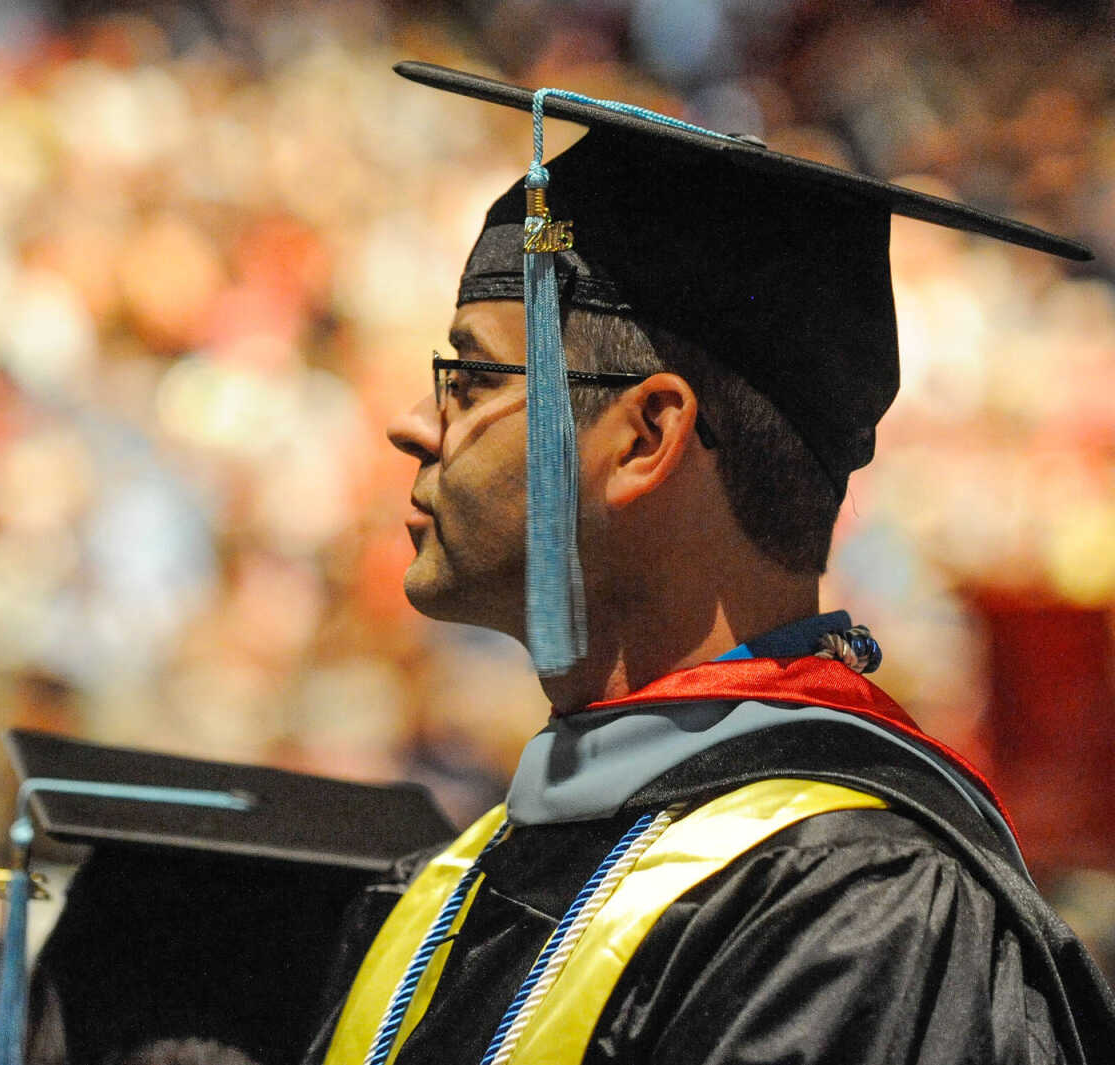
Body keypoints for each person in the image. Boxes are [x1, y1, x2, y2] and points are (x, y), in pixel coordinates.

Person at [301, 63, 1115, 1065]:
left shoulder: (856, 909)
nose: (410, 425)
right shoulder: (460, 875)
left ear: (645, 438)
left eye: (469, 380)